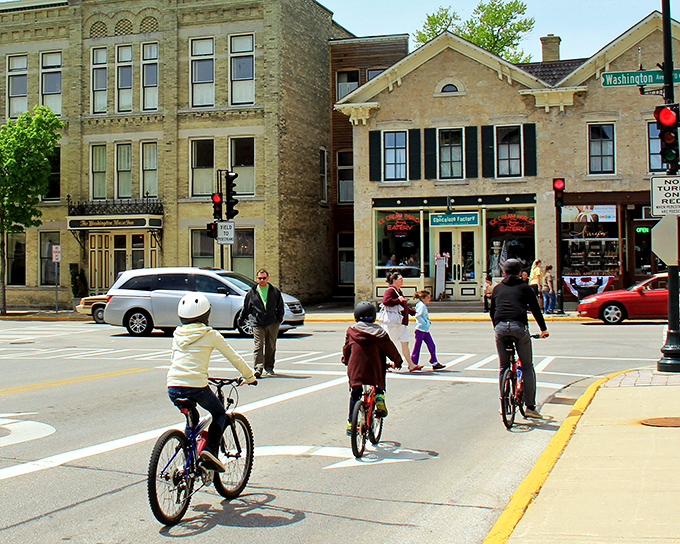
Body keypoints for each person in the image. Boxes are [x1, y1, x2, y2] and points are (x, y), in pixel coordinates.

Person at [167, 293, 257, 472]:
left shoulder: (177, 333)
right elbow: (235, 358)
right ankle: (210, 451)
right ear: (206, 314)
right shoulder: (210, 334)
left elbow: (176, 359)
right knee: (219, 413)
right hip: (196, 387)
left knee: (192, 418)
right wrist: (249, 376)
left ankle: (187, 459)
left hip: (173, 386)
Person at [490, 259, 549, 420]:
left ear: (504, 273)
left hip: (500, 328)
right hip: (519, 327)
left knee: (503, 367)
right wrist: (543, 329)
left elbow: (492, 311)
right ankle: (530, 407)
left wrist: (497, 327)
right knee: (528, 366)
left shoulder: (497, 288)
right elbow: (536, 310)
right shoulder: (525, 288)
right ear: (520, 273)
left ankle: (503, 405)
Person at [342, 301, 402, 435]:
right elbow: (390, 349)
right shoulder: (379, 332)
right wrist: (397, 361)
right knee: (379, 374)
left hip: (356, 368)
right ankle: (379, 396)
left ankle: (351, 424)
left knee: (355, 393)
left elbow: (347, 349)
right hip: (374, 368)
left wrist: (346, 360)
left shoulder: (351, 331)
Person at [239, 269, 285, 378]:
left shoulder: (274, 291)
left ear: (268, 278)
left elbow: (280, 306)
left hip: (272, 322)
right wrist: (241, 320)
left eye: (264, 278)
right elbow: (246, 308)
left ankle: (269, 367)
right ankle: (258, 368)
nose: (262, 280)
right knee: (258, 346)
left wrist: (278, 319)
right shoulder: (252, 292)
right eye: (260, 278)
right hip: (258, 322)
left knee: (270, 346)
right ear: (256, 279)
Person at [378, 271, 422, 371]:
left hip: (401, 323)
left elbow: (402, 306)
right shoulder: (390, 290)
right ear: (394, 280)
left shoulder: (398, 291)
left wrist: (412, 311)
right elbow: (386, 301)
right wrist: (398, 300)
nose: (402, 281)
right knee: (388, 344)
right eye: (400, 279)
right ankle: (382, 364)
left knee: (405, 343)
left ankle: (411, 365)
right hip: (394, 324)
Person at [411, 290, 445, 371]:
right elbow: (418, 316)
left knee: (431, 345)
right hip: (420, 329)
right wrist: (426, 323)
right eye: (428, 297)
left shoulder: (422, 305)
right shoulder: (421, 306)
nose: (429, 299)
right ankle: (413, 363)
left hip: (424, 330)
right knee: (417, 347)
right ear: (423, 298)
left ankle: (434, 362)